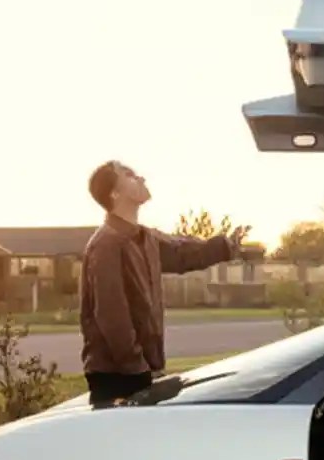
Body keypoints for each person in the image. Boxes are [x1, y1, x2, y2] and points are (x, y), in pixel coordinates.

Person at [79, 160, 246, 405]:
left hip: (145, 369)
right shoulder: (105, 245)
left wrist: (225, 247)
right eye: (130, 175)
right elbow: (111, 316)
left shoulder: (146, 238)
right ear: (114, 194)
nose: (141, 178)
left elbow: (183, 254)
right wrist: (136, 368)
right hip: (117, 376)